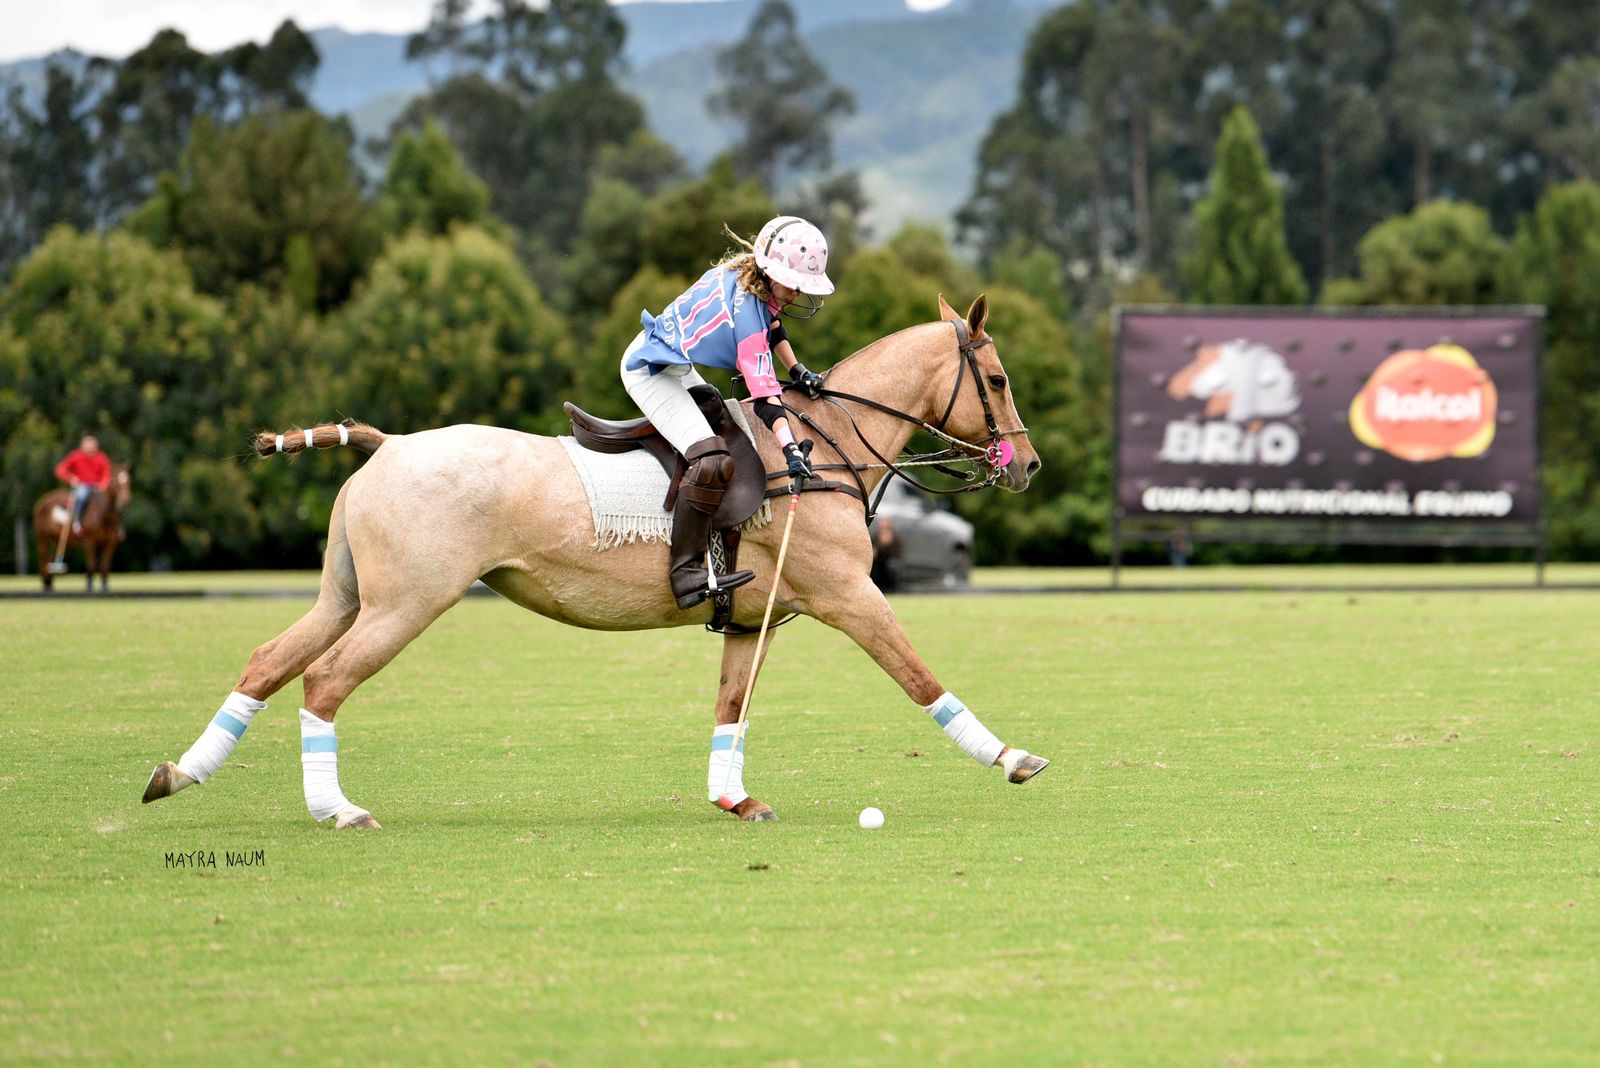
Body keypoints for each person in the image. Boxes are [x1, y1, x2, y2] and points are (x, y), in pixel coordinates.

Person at [622, 215, 834, 610]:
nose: (798, 294)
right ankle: (685, 573)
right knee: (710, 459)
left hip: (674, 364)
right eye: (795, 285)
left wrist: (798, 370)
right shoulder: (748, 321)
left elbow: (774, 324)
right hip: (649, 369)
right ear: (771, 272)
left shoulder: (746, 276)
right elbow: (767, 399)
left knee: (719, 421)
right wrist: (790, 450)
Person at [54, 434, 112, 535]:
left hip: (97, 486)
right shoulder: (76, 456)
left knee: (110, 499)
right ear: (82, 445)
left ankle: (115, 526)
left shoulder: (101, 457)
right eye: (87, 444)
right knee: (81, 495)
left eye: (92, 444)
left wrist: (104, 484)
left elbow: (106, 473)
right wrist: (71, 478)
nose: (90, 447)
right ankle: (76, 521)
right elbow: (60, 470)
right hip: (82, 485)